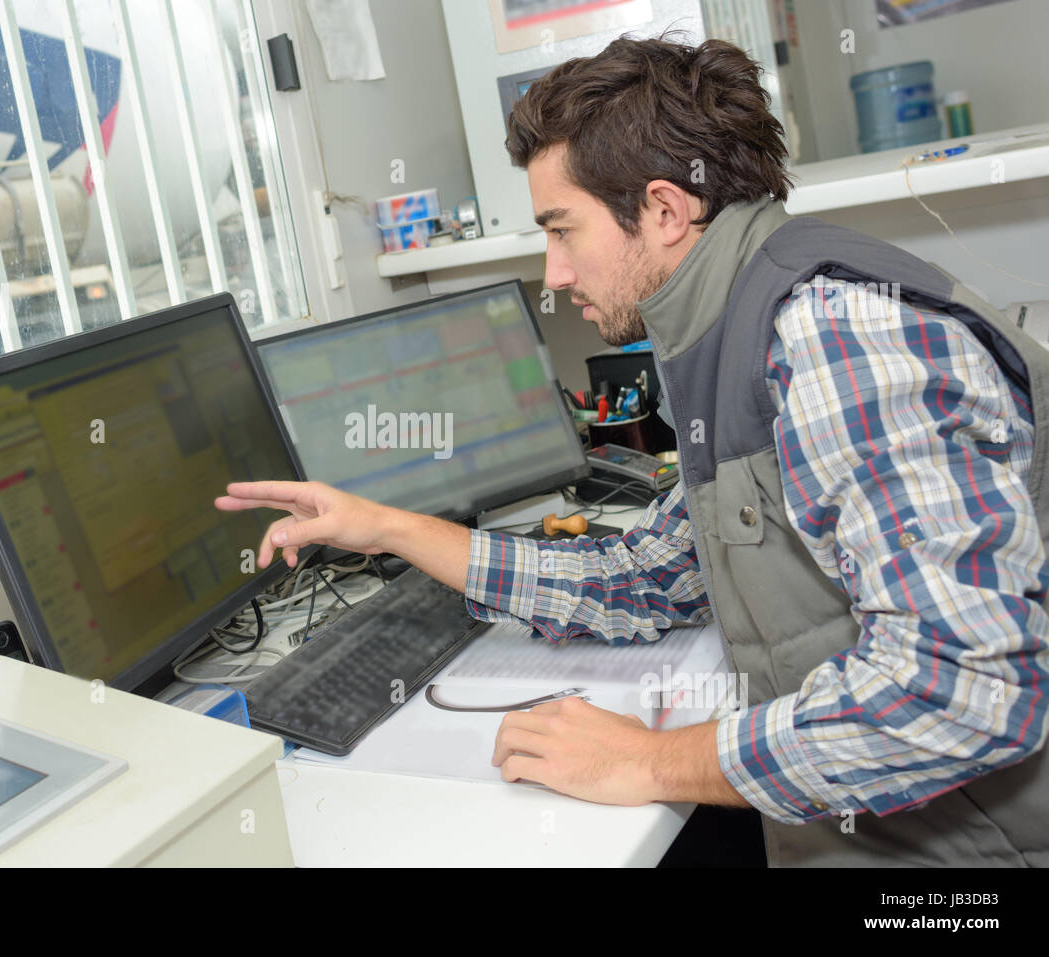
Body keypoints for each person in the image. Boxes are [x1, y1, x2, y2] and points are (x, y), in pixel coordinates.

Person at [215, 34, 1049, 867]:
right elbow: (647, 576)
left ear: (662, 208)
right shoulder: (736, 323)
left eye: (562, 229)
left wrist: (648, 758)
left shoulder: (832, 337)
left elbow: (965, 693)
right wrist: (390, 527)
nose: (555, 272)